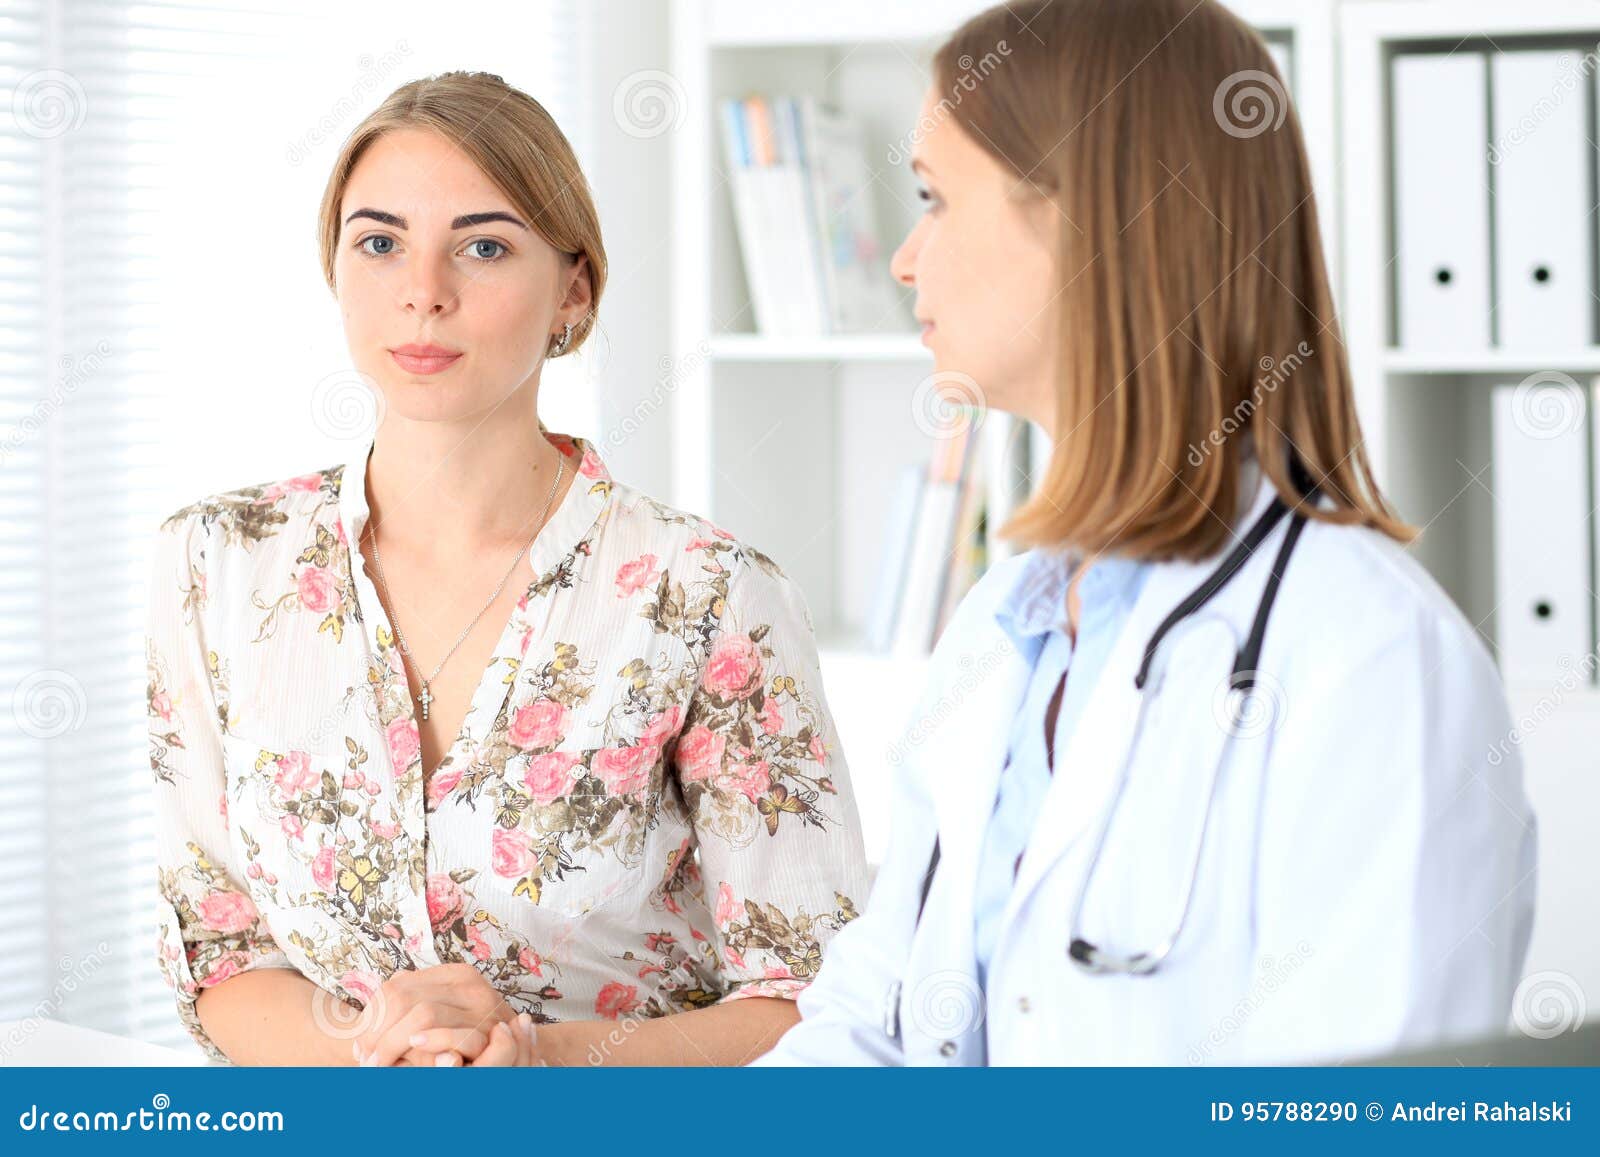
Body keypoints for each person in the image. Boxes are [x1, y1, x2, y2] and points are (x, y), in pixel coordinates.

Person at [750, 0, 1536, 1066]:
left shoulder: (1370, 657)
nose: (903, 258)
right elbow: (871, 1023)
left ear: (1092, 217)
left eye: (936, 200)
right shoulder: (1004, 622)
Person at [147, 71, 867, 1067]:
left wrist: (542, 1060)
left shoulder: (708, 595)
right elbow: (220, 948)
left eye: (482, 246)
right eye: (379, 241)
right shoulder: (216, 562)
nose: (422, 290)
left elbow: (812, 995)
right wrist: (383, 1059)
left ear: (573, 289)